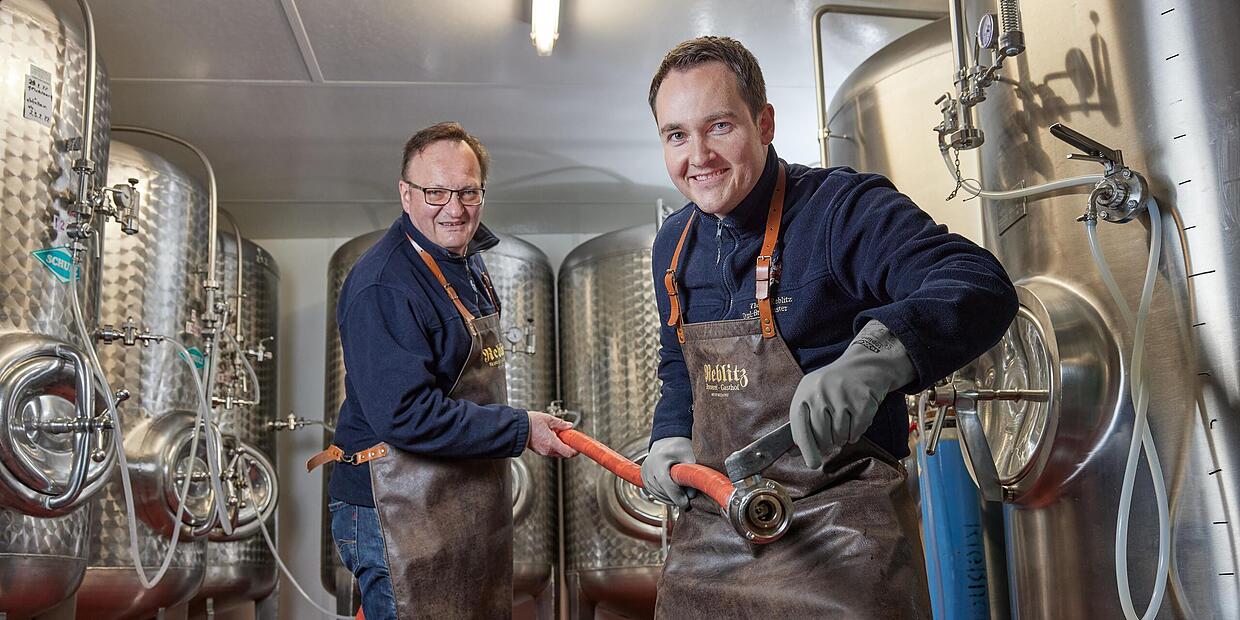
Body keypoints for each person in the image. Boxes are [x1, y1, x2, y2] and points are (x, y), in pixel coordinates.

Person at [638, 37, 1017, 618]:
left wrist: (875, 356)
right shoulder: (675, 242)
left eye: (719, 126)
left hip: (840, 528)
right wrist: (670, 436)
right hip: (715, 528)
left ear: (764, 123)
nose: (699, 156)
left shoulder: (840, 208)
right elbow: (678, 365)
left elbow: (977, 282)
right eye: (677, 135)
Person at [308, 121, 578, 620]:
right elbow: (407, 416)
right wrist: (520, 428)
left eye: (468, 192)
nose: (453, 209)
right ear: (406, 194)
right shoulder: (384, 284)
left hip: (457, 499)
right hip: (395, 507)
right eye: (435, 192)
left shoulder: (464, 260)